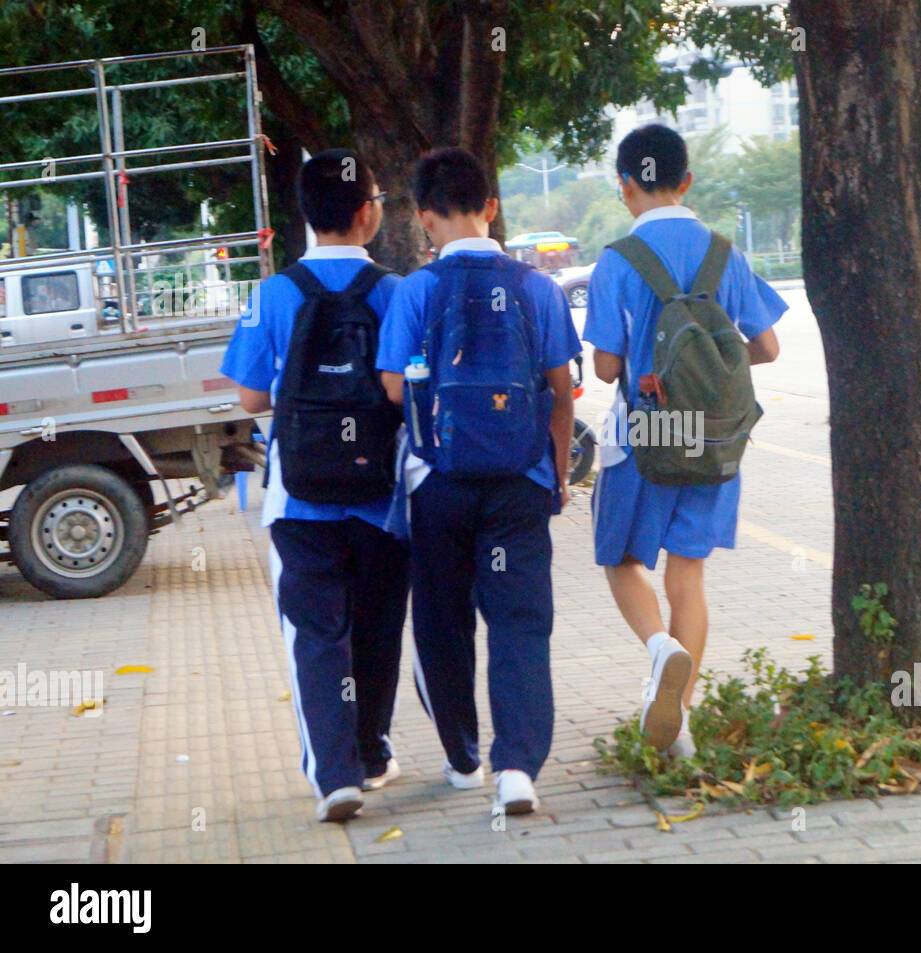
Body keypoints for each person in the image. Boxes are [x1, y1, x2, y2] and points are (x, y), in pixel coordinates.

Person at [377, 147, 579, 818]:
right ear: (490, 207)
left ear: (425, 216)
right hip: (521, 478)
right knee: (520, 619)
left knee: (442, 618)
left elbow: (391, 385)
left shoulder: (416, 290)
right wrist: (557, 474)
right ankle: (517, 766)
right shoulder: (537, 289)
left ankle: (463, 754)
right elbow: (561, 390)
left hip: (438, 481)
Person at [584, 124, 786, 759]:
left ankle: (657, 650)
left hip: (644, 432)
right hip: (715, 437)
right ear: (686, 181)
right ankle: (684, 726)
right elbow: (768, 348)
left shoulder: (618, 260)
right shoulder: (725, 253)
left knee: (619, 559)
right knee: (688, 576)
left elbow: (608, 369)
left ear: (625, 186)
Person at [221, 149, 409, 823]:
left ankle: (334, 775)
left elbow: (249, 397)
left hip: (299, 497)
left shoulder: (273, 293)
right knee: (379, 627)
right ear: (366, 215)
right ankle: (372, 752)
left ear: (307, 215)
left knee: (317, 633)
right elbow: (405, 390)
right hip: (382, 497)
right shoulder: (394, 292)